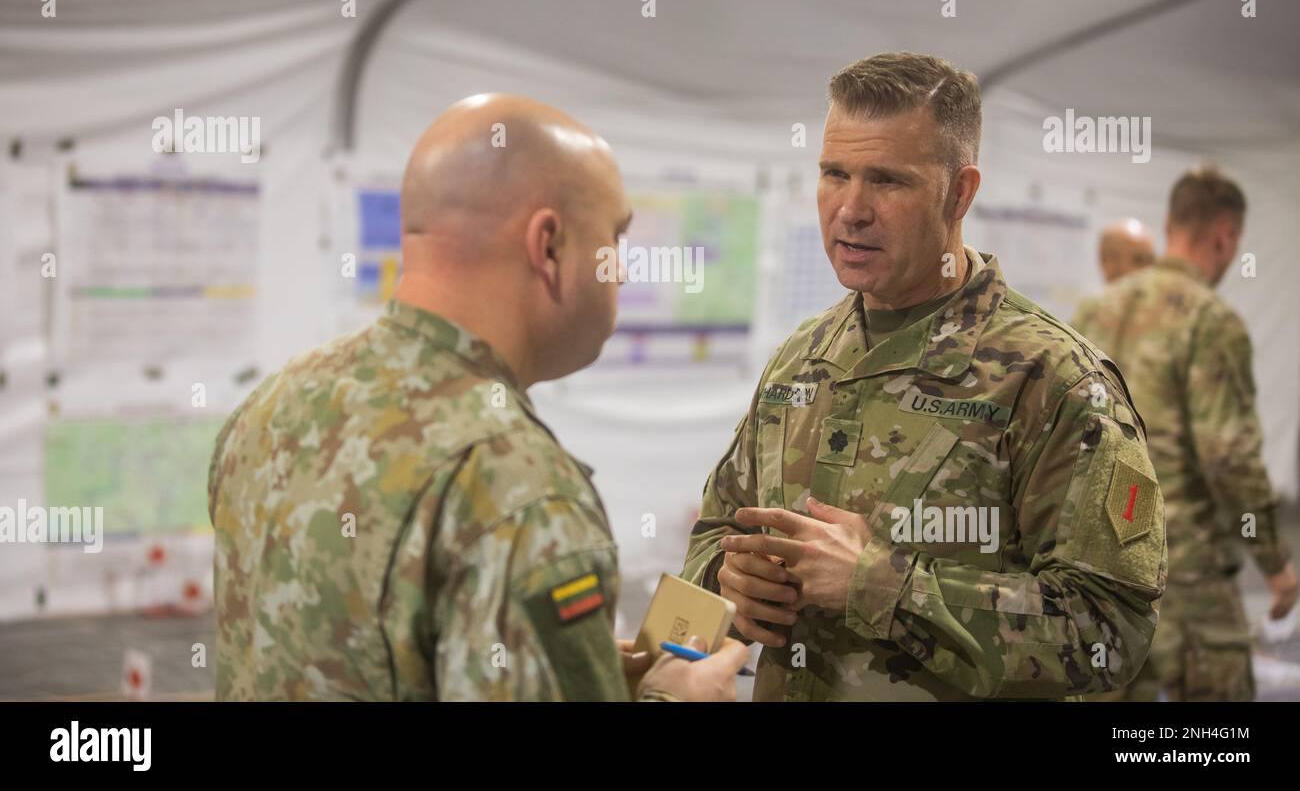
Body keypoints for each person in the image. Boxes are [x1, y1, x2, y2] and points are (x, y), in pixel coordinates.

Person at [209, 93, 747, 700]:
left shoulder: (274, 405)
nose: (620, 271)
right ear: (549, 247)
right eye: (614, 239)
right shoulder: (515, 488)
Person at [682, 52, 1166, 700]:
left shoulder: (1051, 379)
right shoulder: (805, 355)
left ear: (960, 192)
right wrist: (729, 581)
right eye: (834, 173)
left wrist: (877, 585)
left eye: (886, 180)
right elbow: (717, 530)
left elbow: (1110, 632)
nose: (850, 210)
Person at [1072, 168, 1296, 700]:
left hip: (1100, 562)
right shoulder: (1212, 320)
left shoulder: (1090, 312)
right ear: (1225, 237)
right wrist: (1274, 561)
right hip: (1185, 567)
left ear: (1170, 223)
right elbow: (1228, 458)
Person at [1073, 219, 1156, 329]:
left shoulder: (1159, 314)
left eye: (1151, 260)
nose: (1149, 268)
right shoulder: (1090, 313)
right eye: (1139, 260)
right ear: (1107, 260)